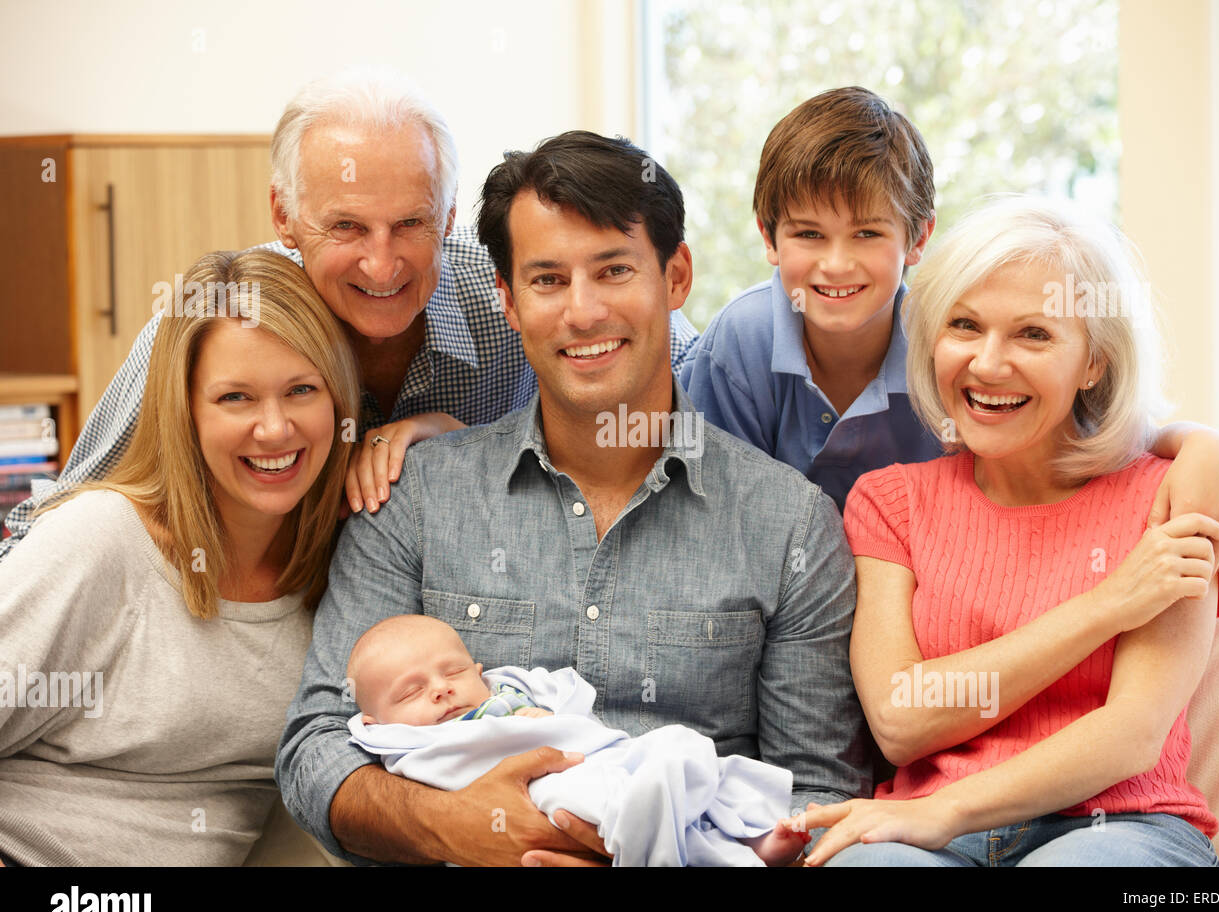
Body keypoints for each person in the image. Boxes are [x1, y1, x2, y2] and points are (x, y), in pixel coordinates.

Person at [276, 130, 870, 868]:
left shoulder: (790, 525)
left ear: (675, 276)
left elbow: (817, 795)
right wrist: (452, 825)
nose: (583, 313)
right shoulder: (415, 498)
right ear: (508, 299)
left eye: (614, 270)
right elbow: (315, 748)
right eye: (548, 280)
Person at [0, 68, 698, 561]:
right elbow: (51, 522)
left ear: (449, 214)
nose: (382, 263)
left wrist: (455, 444)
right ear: (285, 215)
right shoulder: (216, 325)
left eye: (411, 223)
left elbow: (677, 354)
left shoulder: (516, 295)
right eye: (346, 229)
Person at [796, 196, 1219, 867]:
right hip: (930, 834)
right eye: (964, 326)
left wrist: (947, 809)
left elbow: (1132, 733)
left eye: (1034, 334)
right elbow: (900, 720)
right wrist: (1109, 603)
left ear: (1094, 363)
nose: (989, 364)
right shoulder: (890, 503)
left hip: (1119, 828)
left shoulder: (1168, 496)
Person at [679, 88, 1219, 575]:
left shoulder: (950, 344)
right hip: (788, 604)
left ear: (918, 238)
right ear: (769, 238)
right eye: (809, 235)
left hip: (911, 599)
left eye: (868, 234)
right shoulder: (743, 339)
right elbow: (710, 511)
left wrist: (1208, 446)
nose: (837, 265)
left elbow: (1094, 428)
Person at [0, 250, 360, 866]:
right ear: (184, 410)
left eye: (301, 390)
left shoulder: (344, 566)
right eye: (236, 398)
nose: (274, 429)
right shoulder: (102, 538)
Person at [345, 615, 808, 866]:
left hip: (600, 756)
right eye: (410, 692)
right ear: (376, 722)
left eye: (453, 671)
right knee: (617, 800)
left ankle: (747, 834)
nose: (440, 689)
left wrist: (541, 712)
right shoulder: (412, 747)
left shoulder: (511, 690)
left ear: (479, 671)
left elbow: (571, 698)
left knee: (681, 752)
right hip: (537, 794)